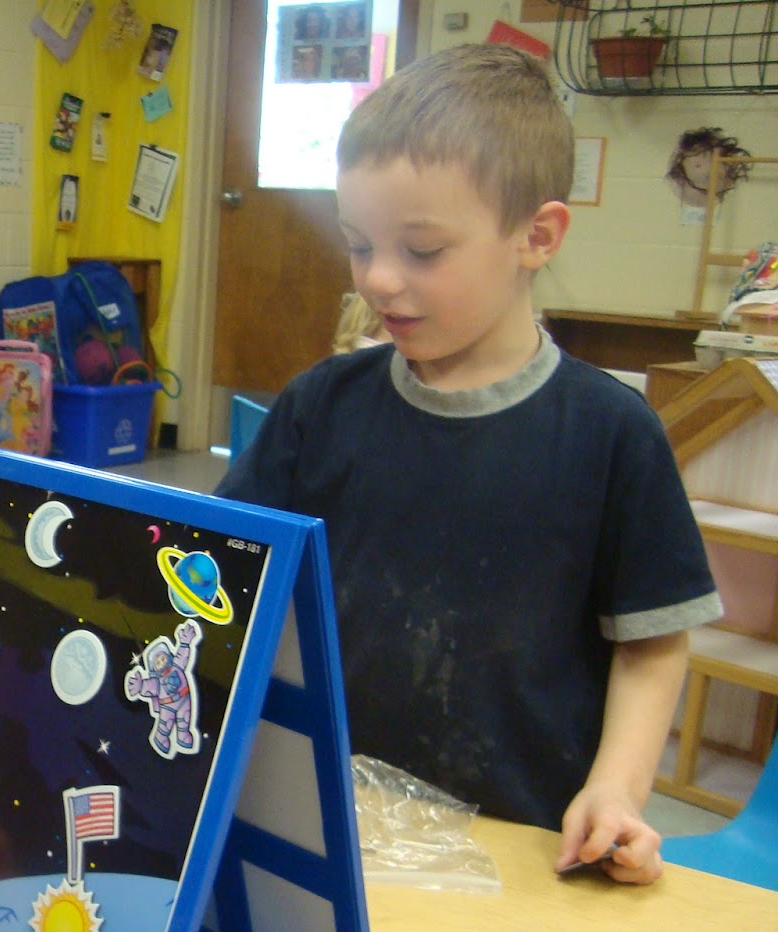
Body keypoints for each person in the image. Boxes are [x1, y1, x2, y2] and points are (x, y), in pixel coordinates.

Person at [216, 44, 721, 885]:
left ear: (536, 235)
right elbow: (232, 579)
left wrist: (618, 791)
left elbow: (652, 645)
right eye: (357, 243)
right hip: (334, 822)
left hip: (525, 845)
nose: (378, 278)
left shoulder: (612, 434)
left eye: (421, 251)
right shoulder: (320, 406)